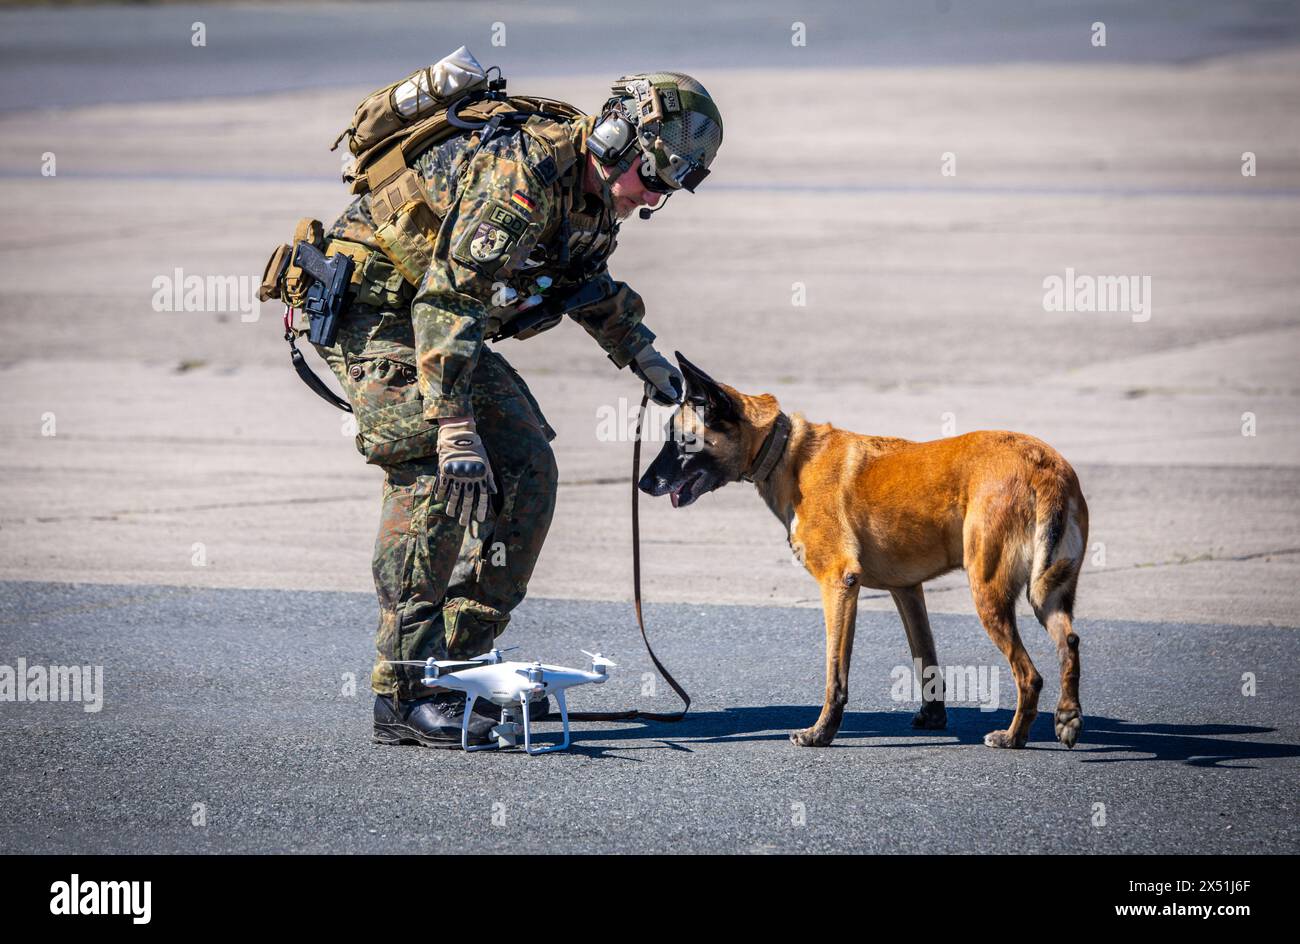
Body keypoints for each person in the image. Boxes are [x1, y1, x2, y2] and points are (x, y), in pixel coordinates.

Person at [312, 71, 724, 746]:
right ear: (620, 140)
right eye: (654, 177)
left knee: (530, 467)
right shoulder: (523, 173)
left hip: (441, 326)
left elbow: (580, 277)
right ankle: (404, 688)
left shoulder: (592, 200)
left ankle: (460, 664)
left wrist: (639, 352)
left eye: (670, 188)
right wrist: (452, 426)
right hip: (378, 315)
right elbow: (448, 299)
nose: (655, 197)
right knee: (434, 472)